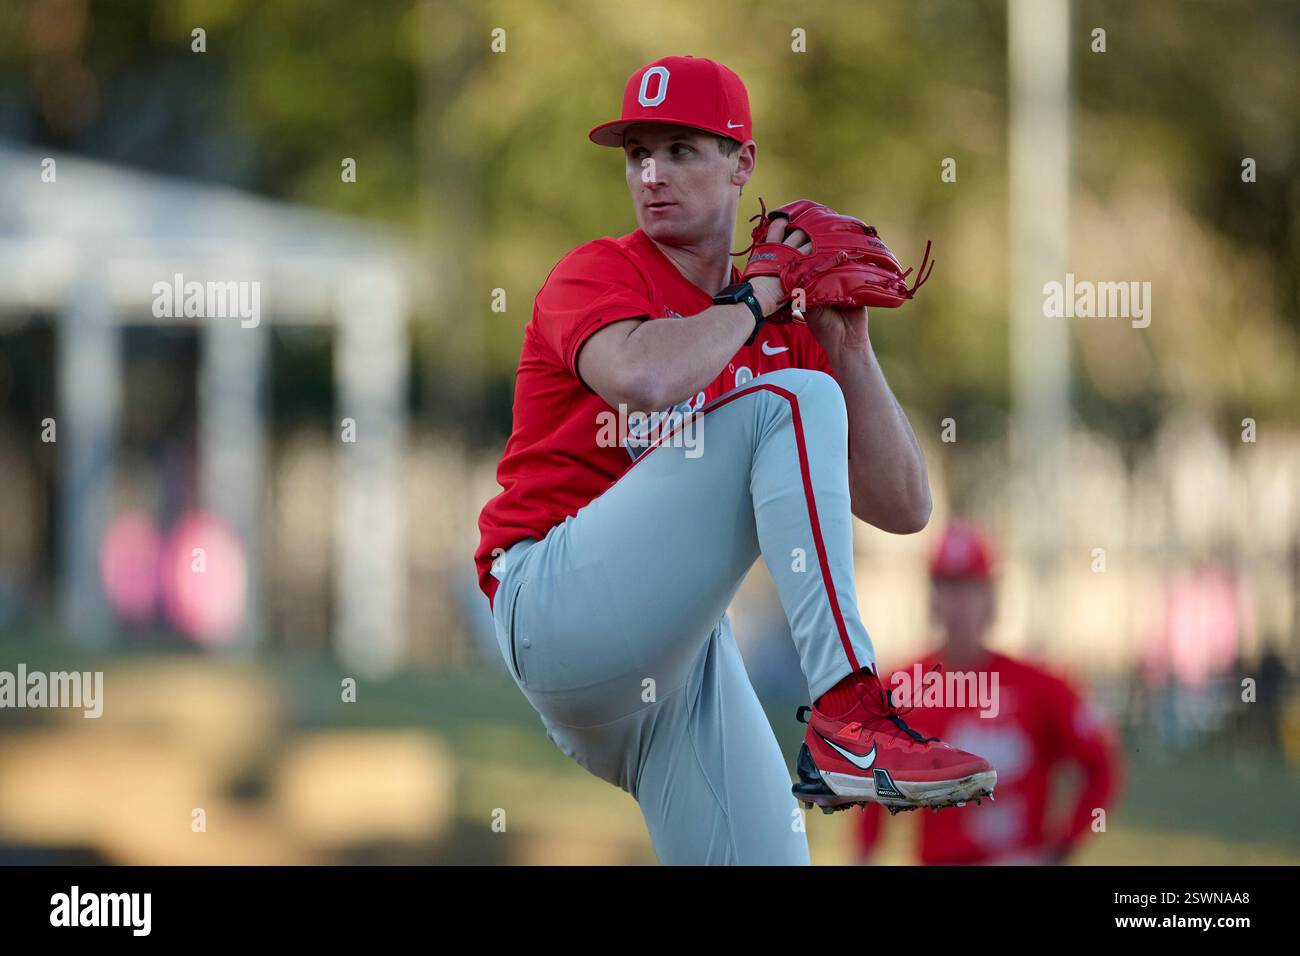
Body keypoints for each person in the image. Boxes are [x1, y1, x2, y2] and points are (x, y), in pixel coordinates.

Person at [474, 55, 993, 865]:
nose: (652, 173)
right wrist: (757, 297)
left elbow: (905, 505)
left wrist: (848, 349)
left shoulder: (781, 327)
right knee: (796, 401)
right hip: (551, 604)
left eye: (681, 148)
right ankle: (850, 714)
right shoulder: (599, 272)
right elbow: (644, 378)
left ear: (741, 162)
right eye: (637, 152)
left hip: (674, 661)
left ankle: (846, 729)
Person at [855, 524, 1120, 865]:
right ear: (932, 597)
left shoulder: (1040, 687)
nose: (959, 604)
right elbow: (873, 788)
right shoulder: (902, 689)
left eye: (970, 588)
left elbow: (1102, 766)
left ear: (992, 596)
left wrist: (1063, 846)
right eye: (948, 587)